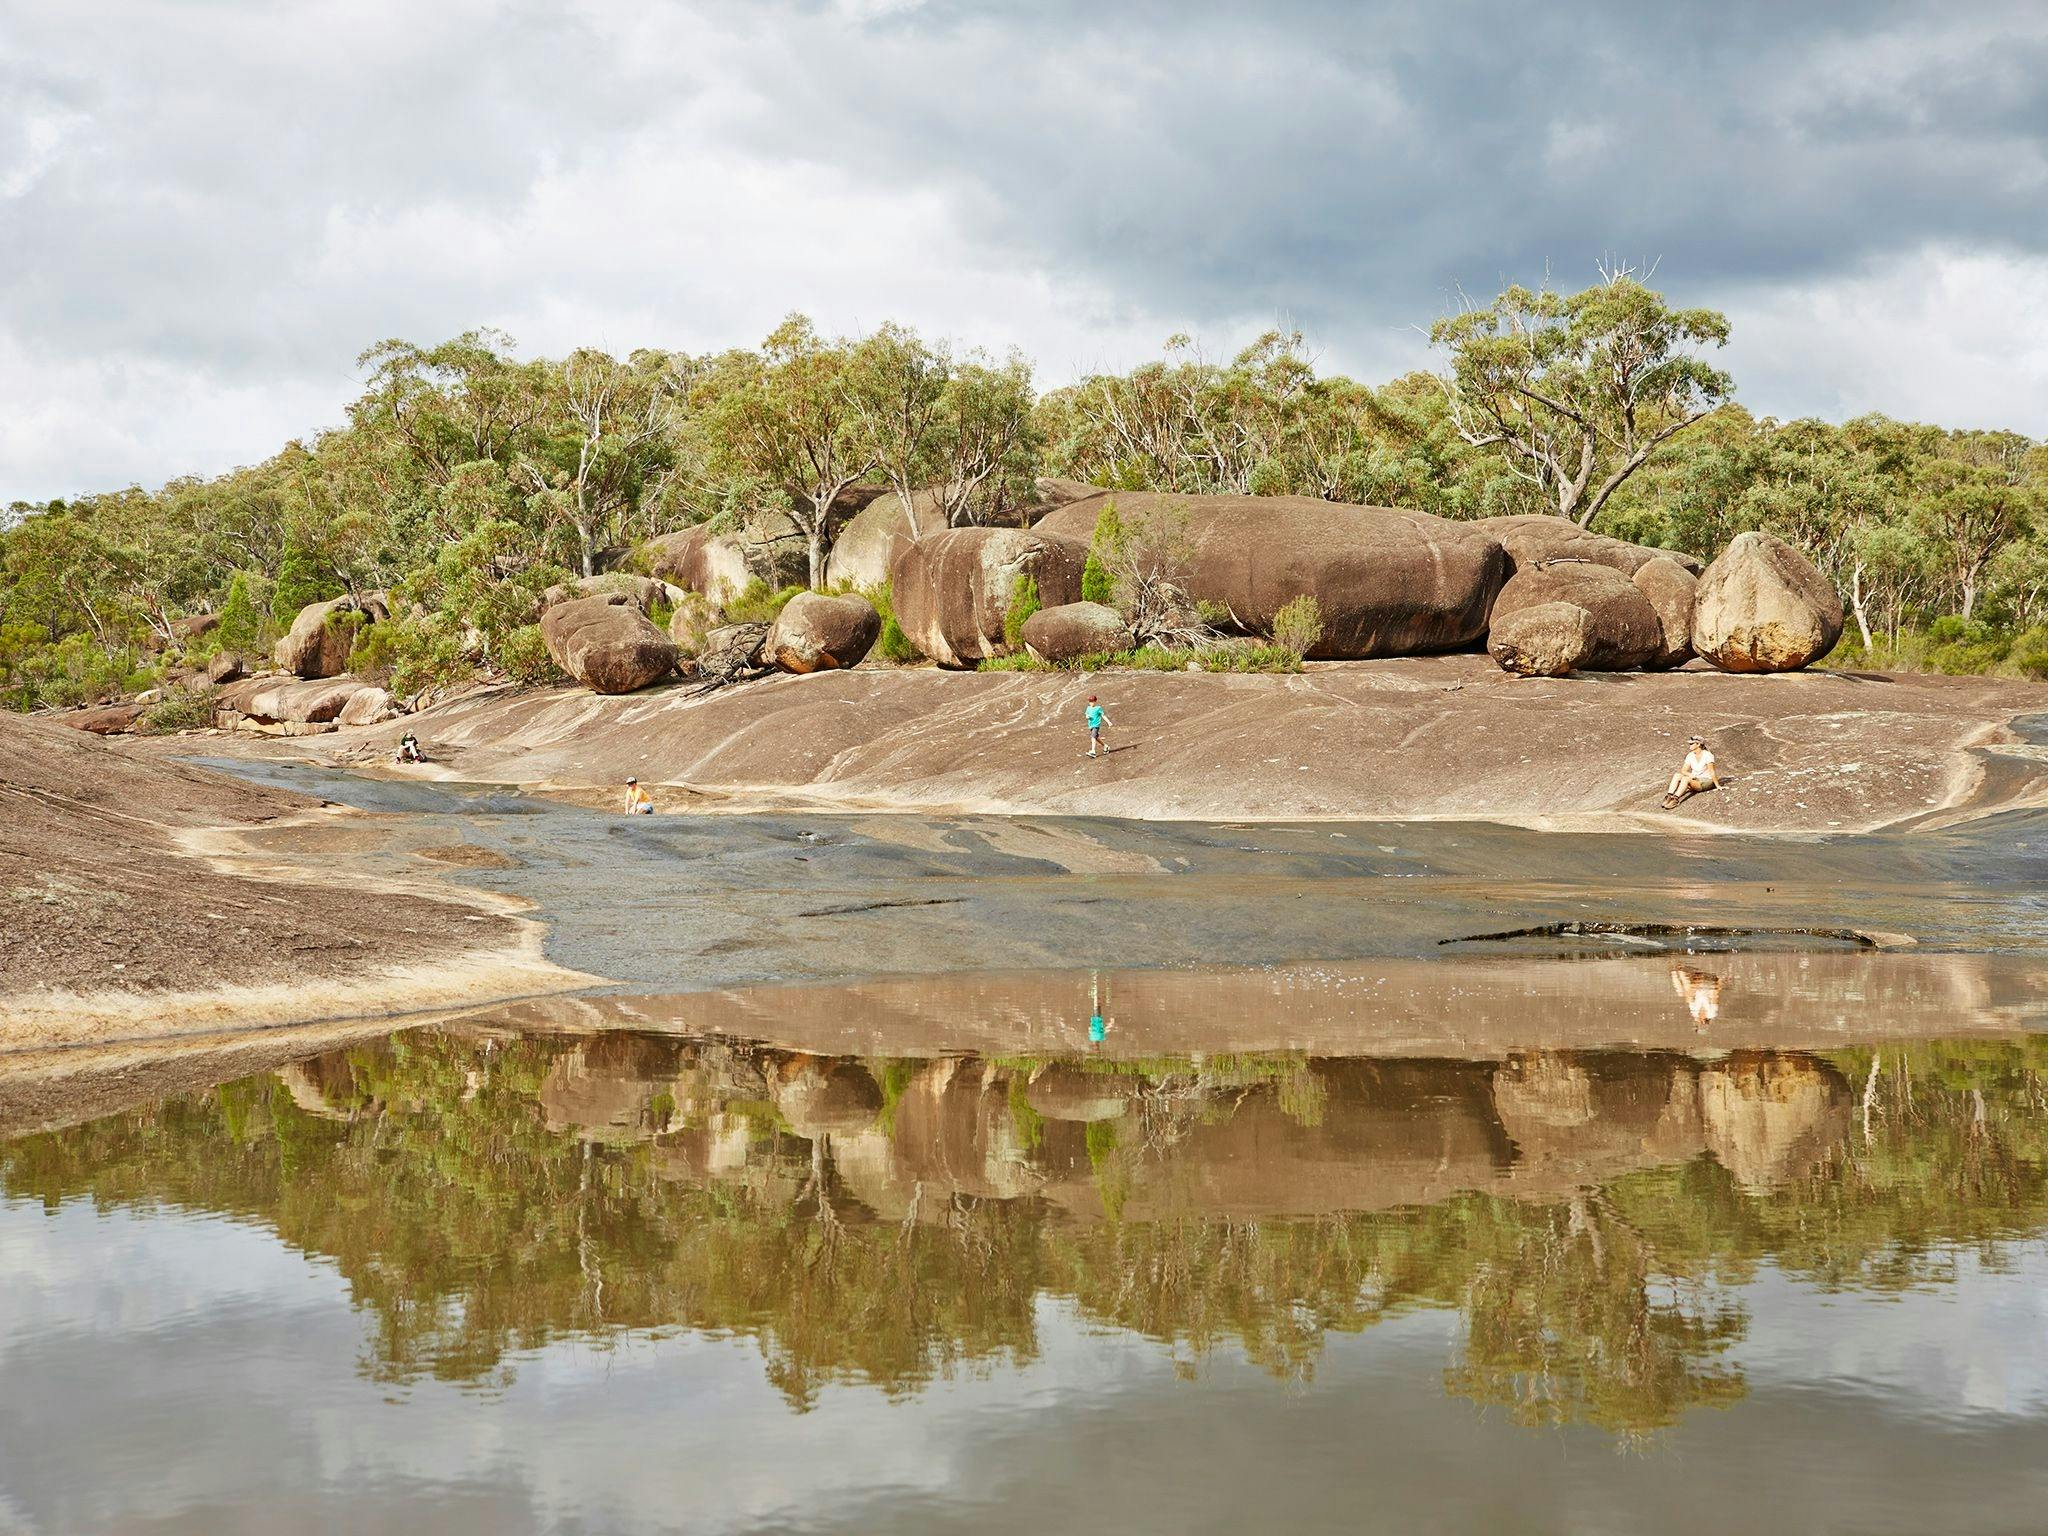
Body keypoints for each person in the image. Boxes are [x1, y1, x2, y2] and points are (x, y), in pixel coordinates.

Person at [1662, 736, 1720, 809]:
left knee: (1686, 779)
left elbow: (1712, 771)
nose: (1690, 745)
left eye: (1692, 744)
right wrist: (1690, 774)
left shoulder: (1708, 755)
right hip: (1695, 779)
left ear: (1698, 744)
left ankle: (1675, 799)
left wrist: (1717, 785)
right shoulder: (1690, 755)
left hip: (1706, 781)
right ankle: (1669, 796)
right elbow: (1683, 770)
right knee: (1677, 775)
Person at [1085, 694, 1111, 759]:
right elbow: (1086, 715)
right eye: (1090, 702)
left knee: (1093, 737)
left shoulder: (1098, 708)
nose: (1091, 703)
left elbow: (1103, 715)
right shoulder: (1088, 708)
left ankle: (1093, 751)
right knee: (1096, 737)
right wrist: (1087, 717)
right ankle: (1106, 746)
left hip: (1096, 725)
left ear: (1095, 701)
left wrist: (1108, 722)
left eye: (1093, 701)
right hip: (1090, 725)